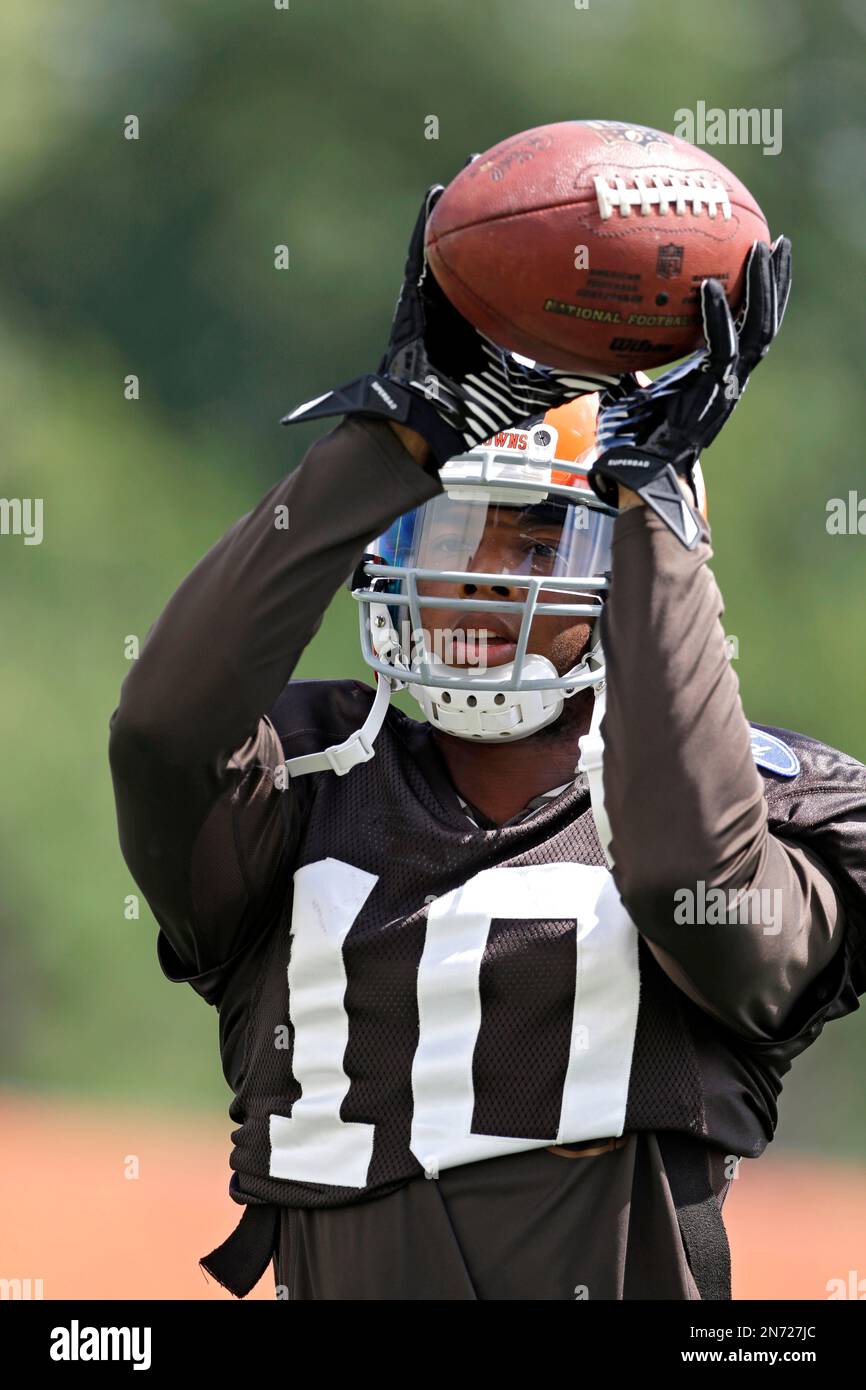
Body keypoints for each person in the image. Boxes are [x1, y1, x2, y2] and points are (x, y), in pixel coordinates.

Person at [109, 185, 866, 1301]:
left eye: (526, 538)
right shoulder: (311, 781)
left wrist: (651, 504)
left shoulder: (781, 807)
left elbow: (686, 876)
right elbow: (164, 730)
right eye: (442, 528)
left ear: (621, 564)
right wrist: (387, 439)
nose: (472, 577)